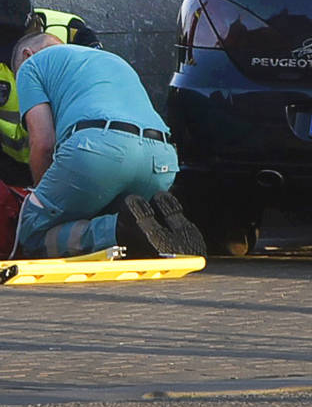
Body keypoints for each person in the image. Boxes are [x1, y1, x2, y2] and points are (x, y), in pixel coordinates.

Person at [10, 32, 200, 259]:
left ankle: (118, 230)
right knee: (123, 211)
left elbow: (43, 144)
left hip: (97, 153)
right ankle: (156, 223)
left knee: (31, 231)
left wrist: (48, 203)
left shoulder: (31, 65)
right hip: (161, 160)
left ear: (27, 54)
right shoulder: (113, 59)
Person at [0, 0, 100, 187]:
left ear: (36, 26)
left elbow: (98, 112)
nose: (9, 62)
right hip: (12, 165)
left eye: (15, 49)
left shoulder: (73, 37)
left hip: (71, 163)